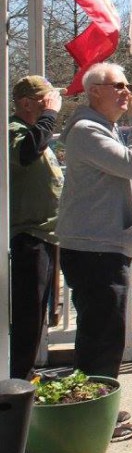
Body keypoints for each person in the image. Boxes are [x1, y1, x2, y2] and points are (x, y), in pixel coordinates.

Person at [57, 62, 132, 442]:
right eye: (119, 85)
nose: (127, 92)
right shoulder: (85, 131)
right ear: (94, 91)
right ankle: (95, 419)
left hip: (103, 249)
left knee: (102, 334)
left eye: (128, 85)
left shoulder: (104, 129)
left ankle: (95, 406)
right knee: (103, 336)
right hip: (94, 252)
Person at [8, 75, 63, 380]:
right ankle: (17, 380)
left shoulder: (33, 131)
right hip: (26, 237)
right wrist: (50, 116)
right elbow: (27, 154)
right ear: (26, 103)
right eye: (45, 100)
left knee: (39, 314)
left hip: (47, 235)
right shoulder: (13, 131)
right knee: (26, 316)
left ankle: (25, 376)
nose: (52, 105)